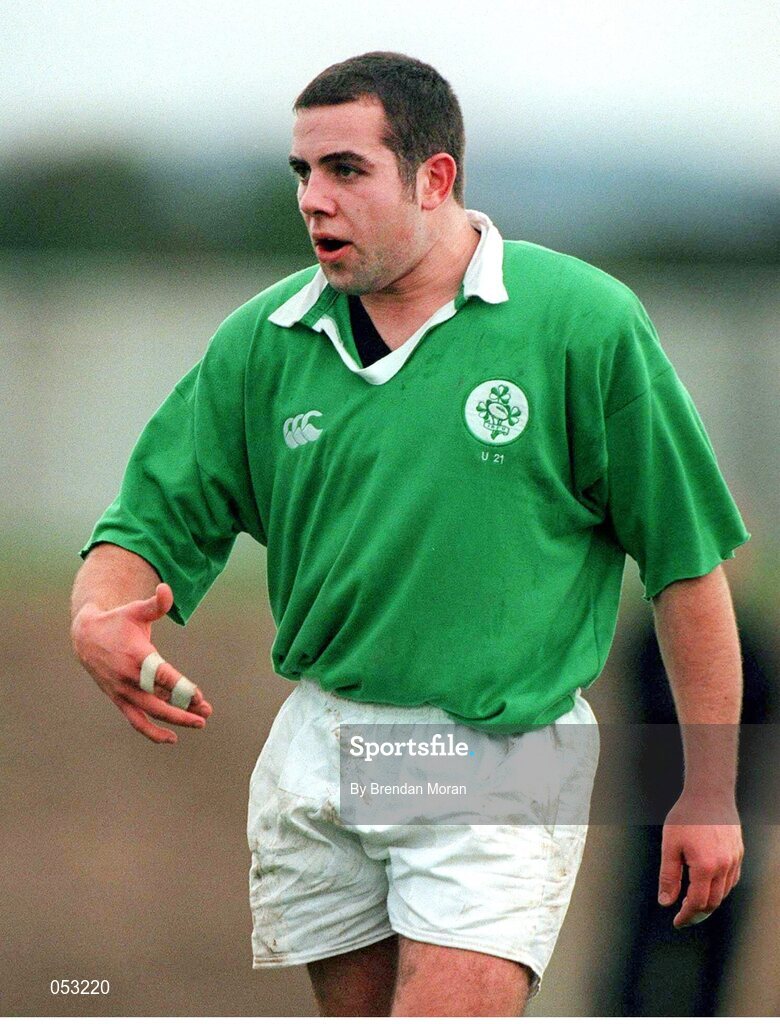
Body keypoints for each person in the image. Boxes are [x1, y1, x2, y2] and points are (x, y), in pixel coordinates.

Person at [70, 52, 749, 1016]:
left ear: (436, 179)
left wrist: (709, 788)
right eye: (301, 172)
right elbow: (144, 524)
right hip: (323, 742)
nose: (313, 198)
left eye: (346, 169)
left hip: (501, 751)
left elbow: (687, 567)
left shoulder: (584, 325)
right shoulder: (263, 341)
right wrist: (98, 614)